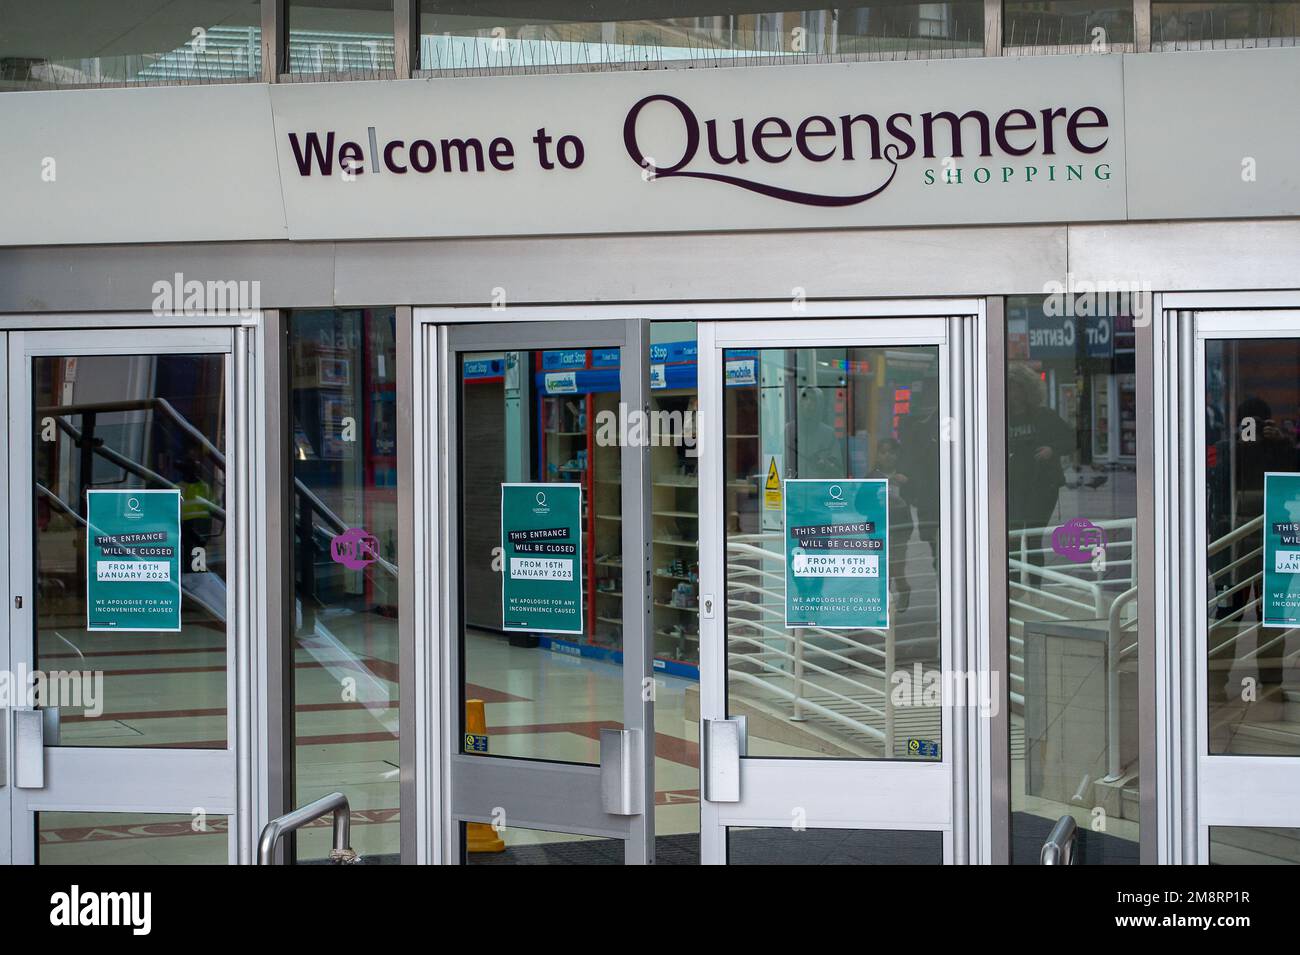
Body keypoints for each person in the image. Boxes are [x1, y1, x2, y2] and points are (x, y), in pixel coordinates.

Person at [1006, 363, 1074, 566]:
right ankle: (1015, 585)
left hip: (1042, 486)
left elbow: (1071, 440)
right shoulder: (999, 417)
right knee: (1013, 540)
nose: (1012, 392)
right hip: (1013, 487)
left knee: (1034, 537)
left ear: (1026, 389)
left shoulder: (1044, 416)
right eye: (1008, 387)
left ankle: (1034, 586)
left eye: (1016, 387)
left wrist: (1052, 449)